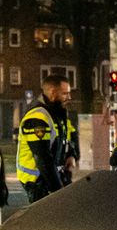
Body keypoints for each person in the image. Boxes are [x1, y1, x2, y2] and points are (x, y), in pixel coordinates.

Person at [16, 74, 75, 202]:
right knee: (44, 220)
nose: (69, 97)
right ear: (53, 93)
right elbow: (43, 158)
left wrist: (70, 154)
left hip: (51, 178)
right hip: (38, 183)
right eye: (65, 93)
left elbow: (64, 138)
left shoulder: (56, 112)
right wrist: (58, 191)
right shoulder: (38, 117)